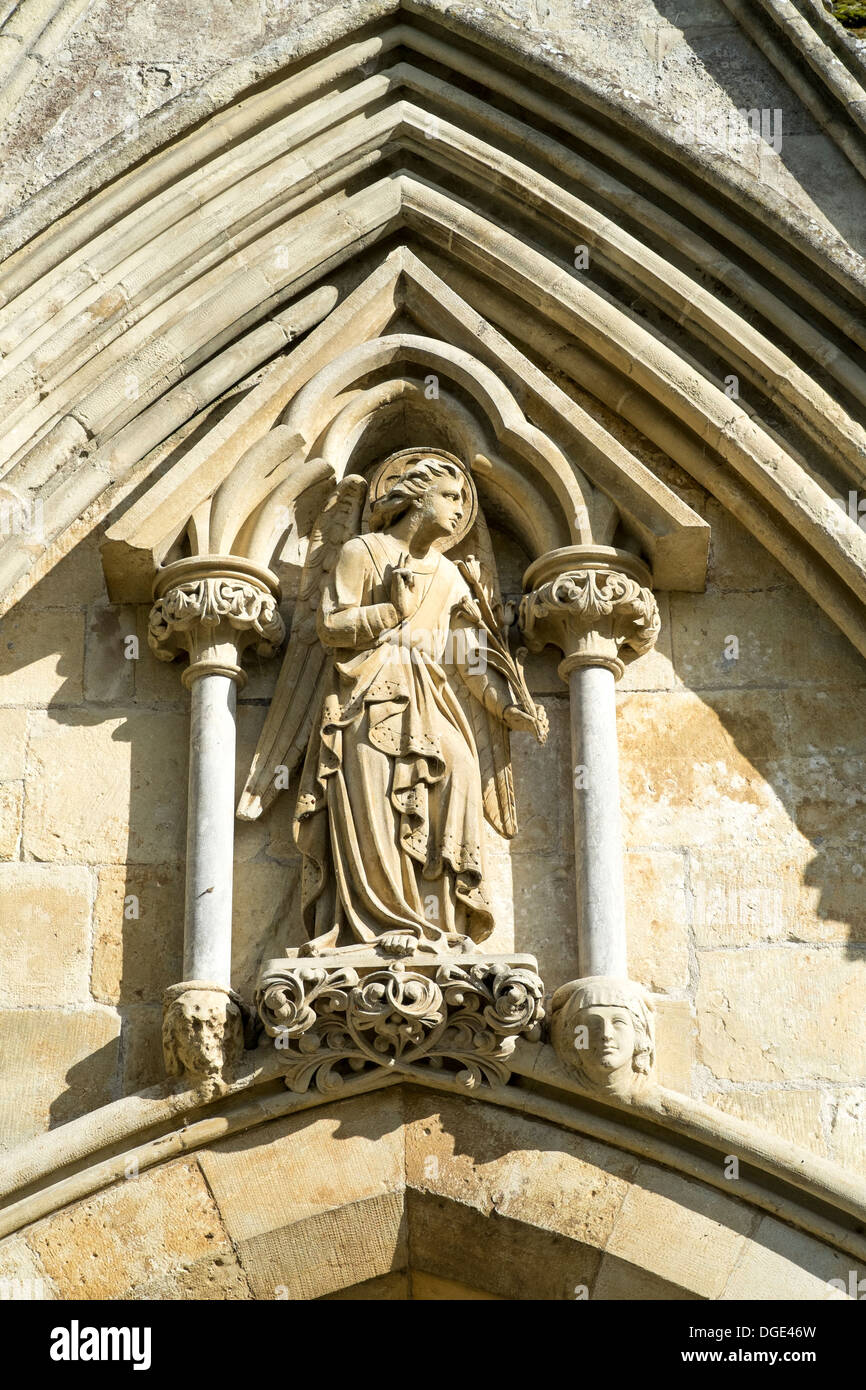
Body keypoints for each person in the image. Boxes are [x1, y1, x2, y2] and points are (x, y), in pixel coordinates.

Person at [294, 454, 543, 956]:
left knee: (460, 772)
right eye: (450, 497)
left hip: (430, 695)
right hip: (367, 695)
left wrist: (505, 707)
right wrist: (392, 610)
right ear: (416, 497)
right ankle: (379, 923)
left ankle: (439, 919)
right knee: (375, 801)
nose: (459, 509)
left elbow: (469, 659)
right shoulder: (361, 553)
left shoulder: (450, 575)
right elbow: (329, 627)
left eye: (462, 501)